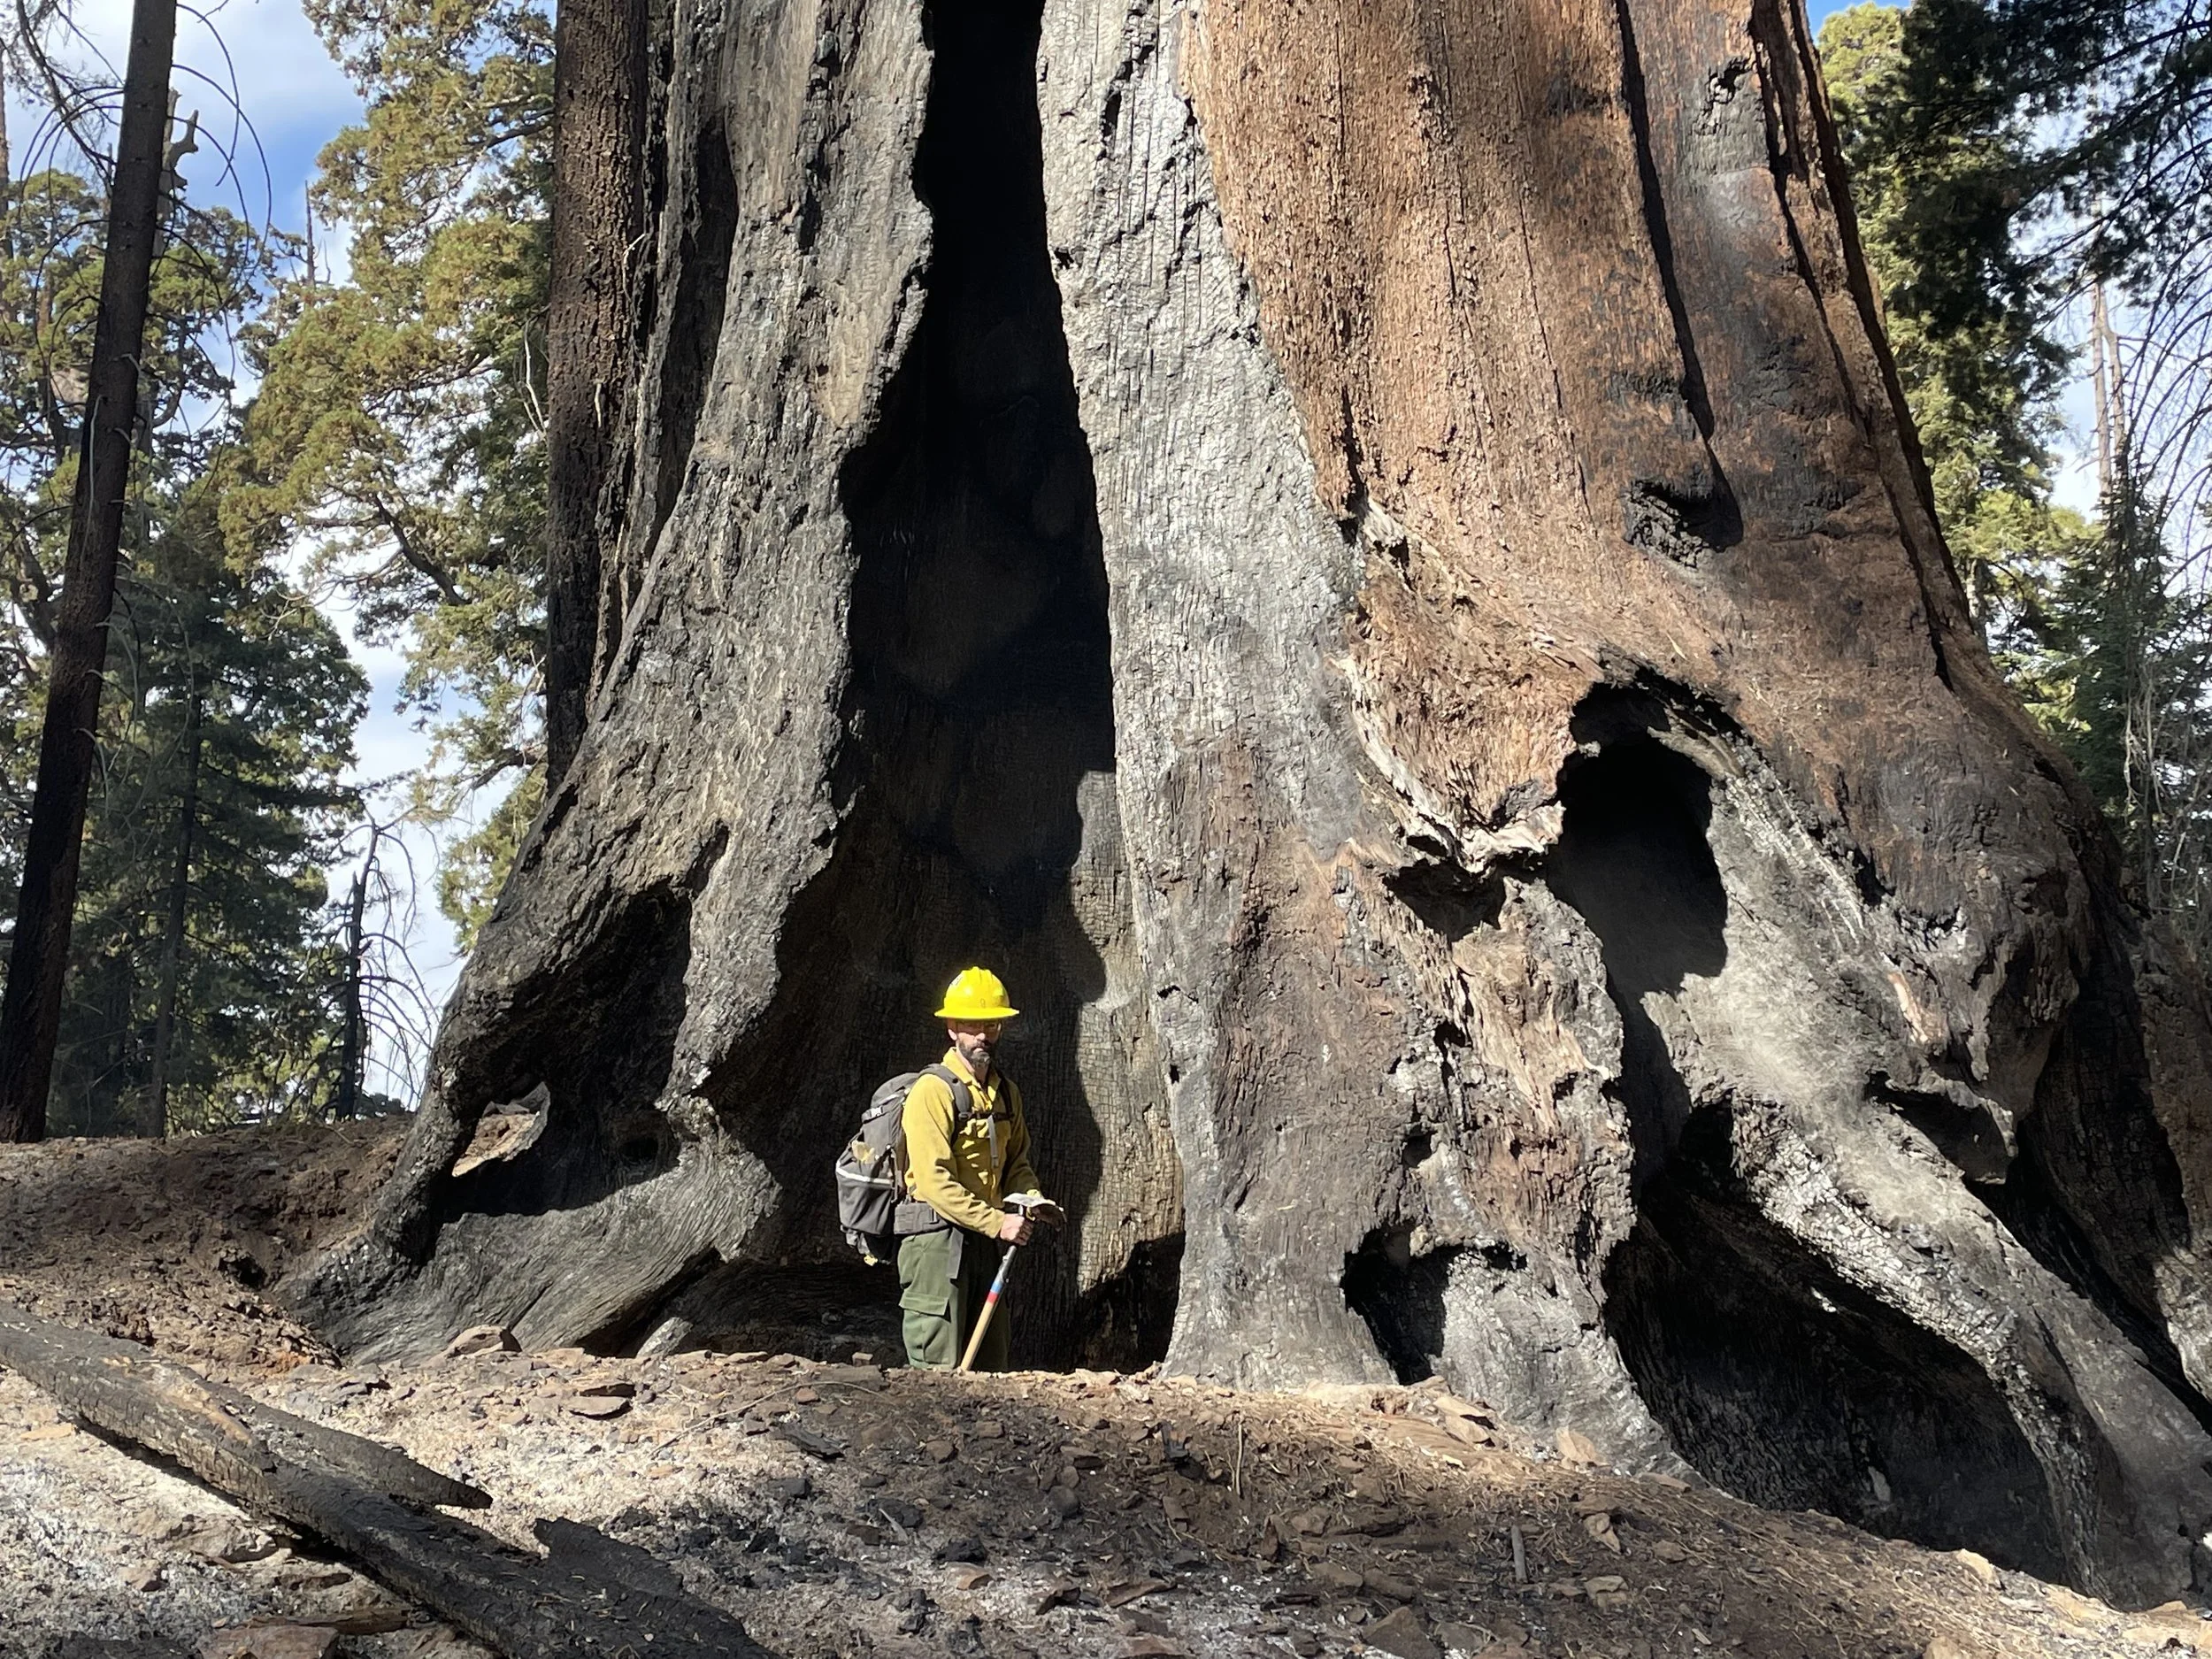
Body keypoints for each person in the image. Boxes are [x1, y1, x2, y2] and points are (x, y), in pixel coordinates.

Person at [895, 966, 1060, 1370]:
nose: (983, 1034)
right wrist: (997, 1223)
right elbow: (933, 1181)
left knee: (989, 1369)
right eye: (972, 1024)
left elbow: (1017, 1162)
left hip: (985, 1244)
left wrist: (1029, 1199)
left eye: (992, 1024)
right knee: (938, 1371)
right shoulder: (931, 1091)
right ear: (952, 1028)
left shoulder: (1005, 1094)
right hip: (936, 1246)